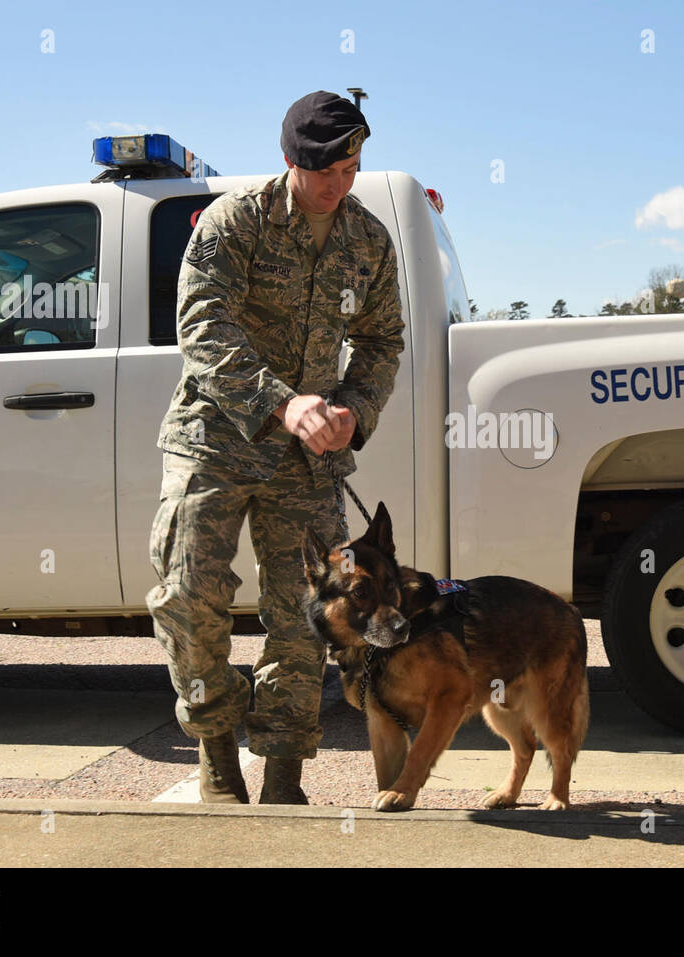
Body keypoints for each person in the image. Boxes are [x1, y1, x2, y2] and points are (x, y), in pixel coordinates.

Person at [146, 91, 404, 804]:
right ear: (290, 159)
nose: (337, 185)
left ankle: (285, 773)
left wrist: (354, 409)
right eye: (324, 171)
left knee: (308, 613)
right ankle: (217, 751)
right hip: (215, 439)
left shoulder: (368, 240)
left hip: (308, 458)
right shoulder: (235, 222)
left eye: (351, 170)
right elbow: (202, 326)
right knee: (188, 595)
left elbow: (382, 340)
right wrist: (281, 403)